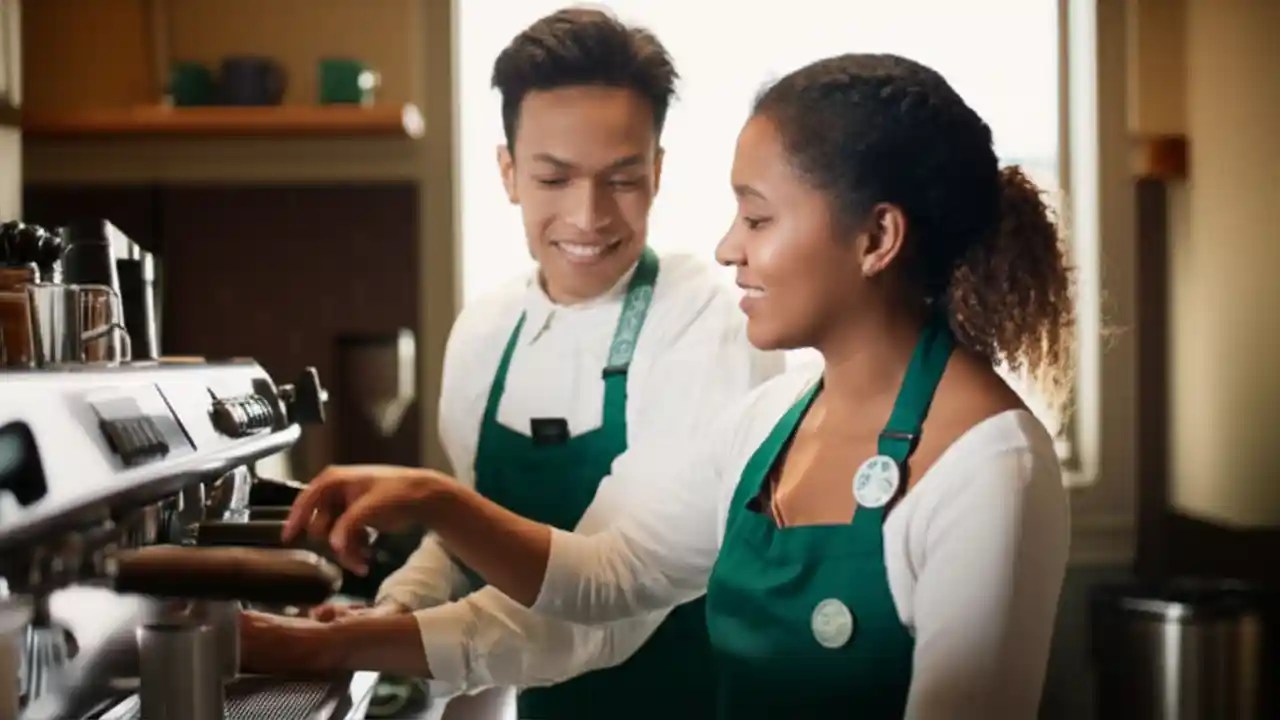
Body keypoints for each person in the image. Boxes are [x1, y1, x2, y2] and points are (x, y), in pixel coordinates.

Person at [279, 52, 1077, 718]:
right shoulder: (771, 423)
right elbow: (609, 575)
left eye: (758, 219)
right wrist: (414, 529)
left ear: (876, 238)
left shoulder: (989, 467)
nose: (729, 248)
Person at [239, 8, 783, 720]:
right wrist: (398, 602)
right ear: (509, 172)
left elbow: (609, 609)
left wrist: (368, 639)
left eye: (620, 180)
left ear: (656, 173)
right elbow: (471, 541)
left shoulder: (707, 326)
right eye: (554, 179)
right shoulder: (486, 330)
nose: (587, 217)